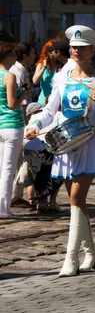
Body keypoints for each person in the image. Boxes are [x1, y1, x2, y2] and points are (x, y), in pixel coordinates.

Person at [25, 25, 95, 276]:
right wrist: (33, 125)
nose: (77, 51)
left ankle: (70, 259)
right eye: (74, 47)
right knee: (78, 203)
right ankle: (90, 253)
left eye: (82, 47)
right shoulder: (62, 77)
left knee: (76, 199)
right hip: (65, 144)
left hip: (90, 143)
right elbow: (49, 110)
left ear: (92, 49)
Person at [1, 33, 32, 218]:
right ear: (6, 56)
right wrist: (26, 92)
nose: (15, 57)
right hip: (12, 125)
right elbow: (13, 104)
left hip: (0, 124)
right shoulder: (9, 75)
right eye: (12, 54)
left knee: (0, 167)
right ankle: (4, 209)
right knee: (8, 168)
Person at [32, 40, 68, 106]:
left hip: (57, 103)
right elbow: (35, 81)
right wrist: (44, 68)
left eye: (55, 51)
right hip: (42, 102)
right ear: (47, 52)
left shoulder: (62, 66)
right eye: (50, 51)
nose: (53, 53)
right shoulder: (41, 64)